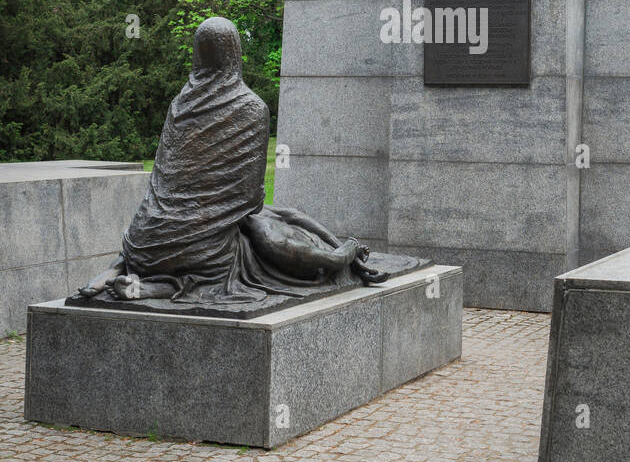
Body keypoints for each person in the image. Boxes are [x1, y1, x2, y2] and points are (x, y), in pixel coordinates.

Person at [78, 17, 418, 309]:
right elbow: (250, 199)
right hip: (201, 251)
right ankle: (342, 253)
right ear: (235, 53)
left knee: (273, 217)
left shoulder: (179, 105)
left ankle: (123, 269)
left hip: (142, 241)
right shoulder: (252, 108)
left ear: (198, 55)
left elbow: (167, 179)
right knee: (251, 241)